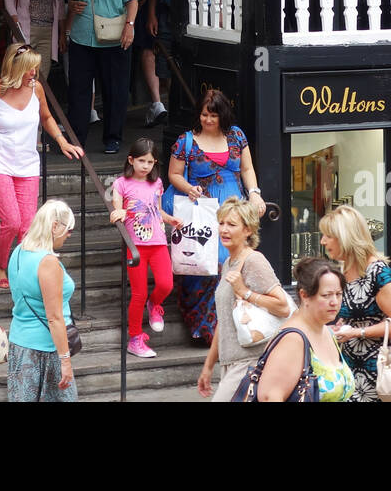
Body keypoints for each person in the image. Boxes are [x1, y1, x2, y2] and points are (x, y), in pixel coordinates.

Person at [0, 43, 84, 283]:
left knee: (28, 225)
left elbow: (47, 117)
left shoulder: (36, 88)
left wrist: (62, 142)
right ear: (16, 66)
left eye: (36, 68)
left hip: (27, 162)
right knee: (12, 221)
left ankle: (22, 270)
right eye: (30, 68)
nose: (34, 73)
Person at [167, 89, 265, 344]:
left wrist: (254, 194)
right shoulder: (185, 141)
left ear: (223, 115)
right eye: (203, 114)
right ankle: (206, 326)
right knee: (208, 264)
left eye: (213, 115)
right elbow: (174, 174)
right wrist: (189, 188)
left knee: (236, 262)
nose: (207, 120)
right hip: (203, 211)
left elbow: (247, 168)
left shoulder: (237, 136)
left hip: (234, 208)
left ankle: (233, 324)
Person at [196, 197, 291, 401]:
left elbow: (283, 306)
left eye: (231, 224)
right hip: (232, 361)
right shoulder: (230, 262)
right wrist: (208, 366)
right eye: (221, 223)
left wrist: (245, 292)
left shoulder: (253, 260)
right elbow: (224, 320)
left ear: (248, 230)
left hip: (251, 360)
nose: (224, 229)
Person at [320, 204, 391, 402]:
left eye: (328, 236)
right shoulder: (344, 269)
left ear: (345, 237)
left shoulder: (377, 272)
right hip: (350, 367)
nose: (322, 241)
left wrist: (357, 332)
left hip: (378, 371)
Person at [63, 0, 142, 155]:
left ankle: (113, 138)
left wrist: (130, 26)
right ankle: (76, 139)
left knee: (115, 90)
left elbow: (132, 0)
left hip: (114, 39)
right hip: (83, 37)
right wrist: (73, 6)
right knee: (78, 90)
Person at [110, 138, 183, 359]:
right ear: (131, 160)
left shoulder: (157, 183)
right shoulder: (121, 183)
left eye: (150, 162)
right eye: (141, 160)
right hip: (135, 246)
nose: (145, 166)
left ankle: (155, 304)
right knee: (139, 293)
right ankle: (135, 338)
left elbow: (157, 210)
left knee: (166, 283)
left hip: (159, 242)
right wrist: (120, 212)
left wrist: (170, 219)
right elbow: (117, 210)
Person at [7, 199, 79, 402]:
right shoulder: (48, 263)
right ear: (55, 226)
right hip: (47, 348)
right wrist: (65, 360)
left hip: (20, 343)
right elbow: (54, 318)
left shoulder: (19, 252)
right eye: (69, 229)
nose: (69, 235)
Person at [255, 257, 355, 402]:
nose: (334, 302)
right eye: (326, 295)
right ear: (305, 296)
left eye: (338, 294)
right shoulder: (293, 339)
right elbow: (269, 397)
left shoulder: (327, 331)